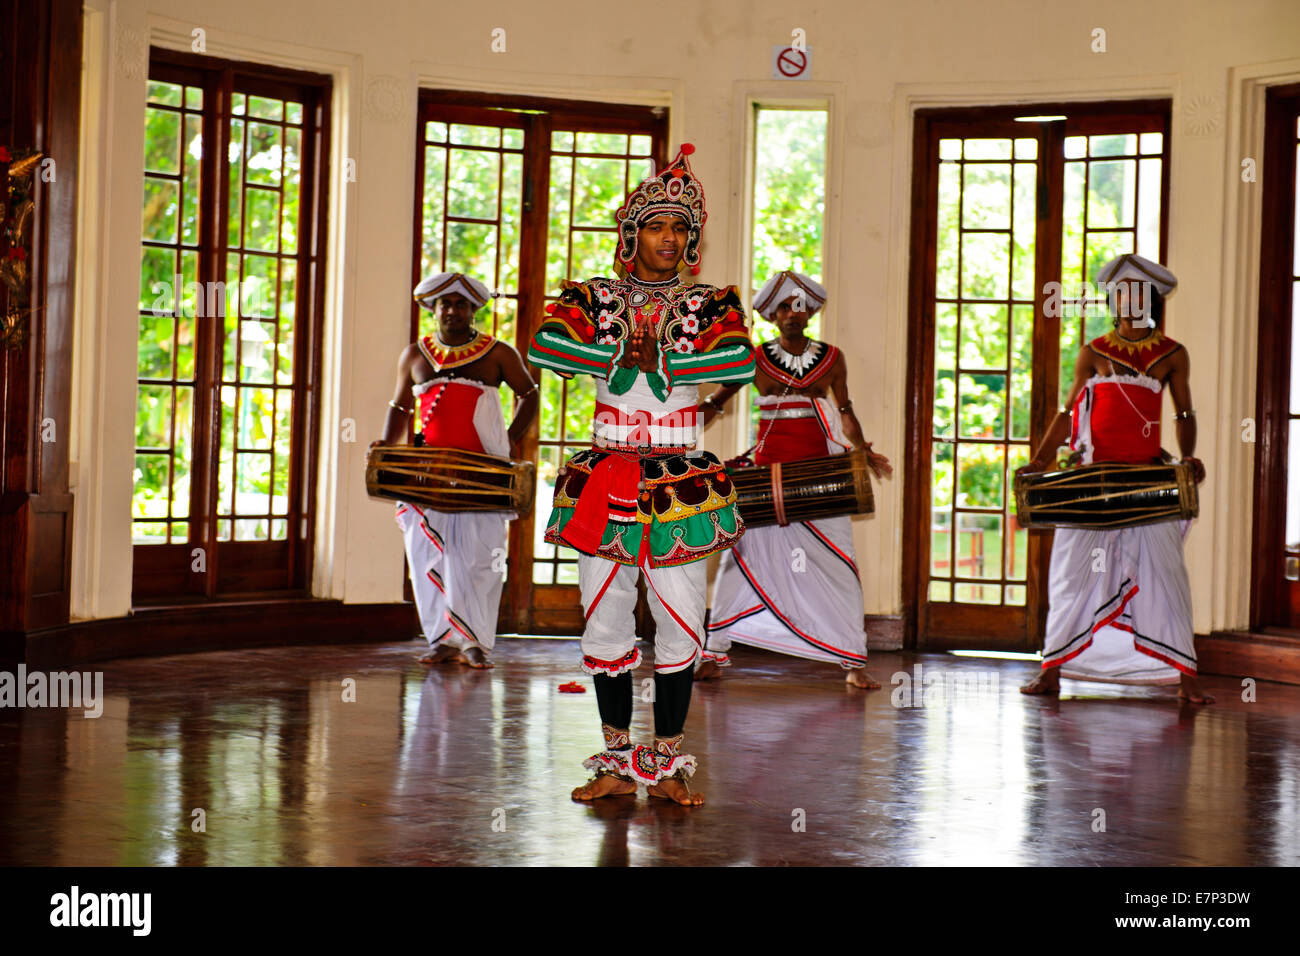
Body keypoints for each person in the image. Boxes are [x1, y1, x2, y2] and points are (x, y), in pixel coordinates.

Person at [527, 144, 755, 806]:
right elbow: (544, 344)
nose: (670, 238)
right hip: (604, 474)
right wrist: (616, 353)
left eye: (681, 229)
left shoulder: (711, 302)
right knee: (603, 618)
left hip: (680, 477)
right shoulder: (594, 296)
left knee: (682, 620)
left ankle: (672, 762)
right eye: (657, 225)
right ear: (632, 234)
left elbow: (738, 359)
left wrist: (662, 363)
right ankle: (615, 758)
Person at [1017, 253, 1213, 703]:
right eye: (1121, 292)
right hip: (1093, 481)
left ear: (1152, 299)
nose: (1128, 300)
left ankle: (1187, 682)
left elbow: (1184, 412)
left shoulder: (1172, 354)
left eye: (1137, 292)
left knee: (1165, 575)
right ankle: (1052, 671)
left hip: (1147, 481)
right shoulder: (1093, 352)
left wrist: (1189, 458)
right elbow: (1067, 413)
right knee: (1070, 574)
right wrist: (1041, 460)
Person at [697, 270, 892, 688]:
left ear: (810, 312)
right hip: (766, 482)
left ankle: (854, 663)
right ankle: (714, 653)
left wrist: (863, 451)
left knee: (840, 568)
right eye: (783, 306)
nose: (792, 312)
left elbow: (845, 412)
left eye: (798, 305)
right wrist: (675, 428)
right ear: (771, 314)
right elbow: (717, 401)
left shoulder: (833, 358)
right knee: (738, 564)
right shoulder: (751, 358)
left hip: (822, 482)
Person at [375, 272, 539, 669]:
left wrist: (508, 441)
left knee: (479, 557)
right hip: (427, 473)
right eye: (445, 303)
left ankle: (474, 642)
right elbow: (400, 407)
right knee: (426, 554)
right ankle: (441, 639)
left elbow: (529, 394)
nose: (452, 310)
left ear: (473, 309)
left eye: (461, 304)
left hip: (481, 473)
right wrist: (384, 443)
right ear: (433, 309)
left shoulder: (498, 353)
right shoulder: (414, 355)